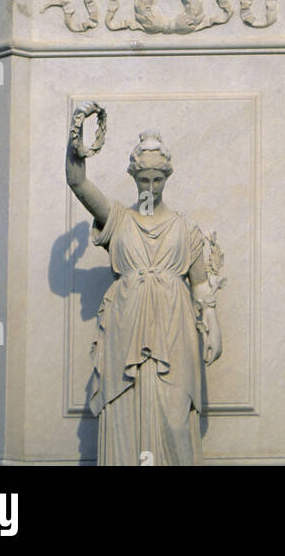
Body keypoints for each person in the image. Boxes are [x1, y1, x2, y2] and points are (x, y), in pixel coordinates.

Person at [65, 117, 222, 466]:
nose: (150, 186)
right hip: (125, 326)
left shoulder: (185, 228)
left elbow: (199, 283)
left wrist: (212, 321)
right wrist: (76, 149)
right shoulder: (117, 218)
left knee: (175, 414)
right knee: (123, 411)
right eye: (144, 180)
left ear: (167, 178)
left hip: (175, 328)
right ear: (134, 178)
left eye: (157, 179)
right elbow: (76, 182)